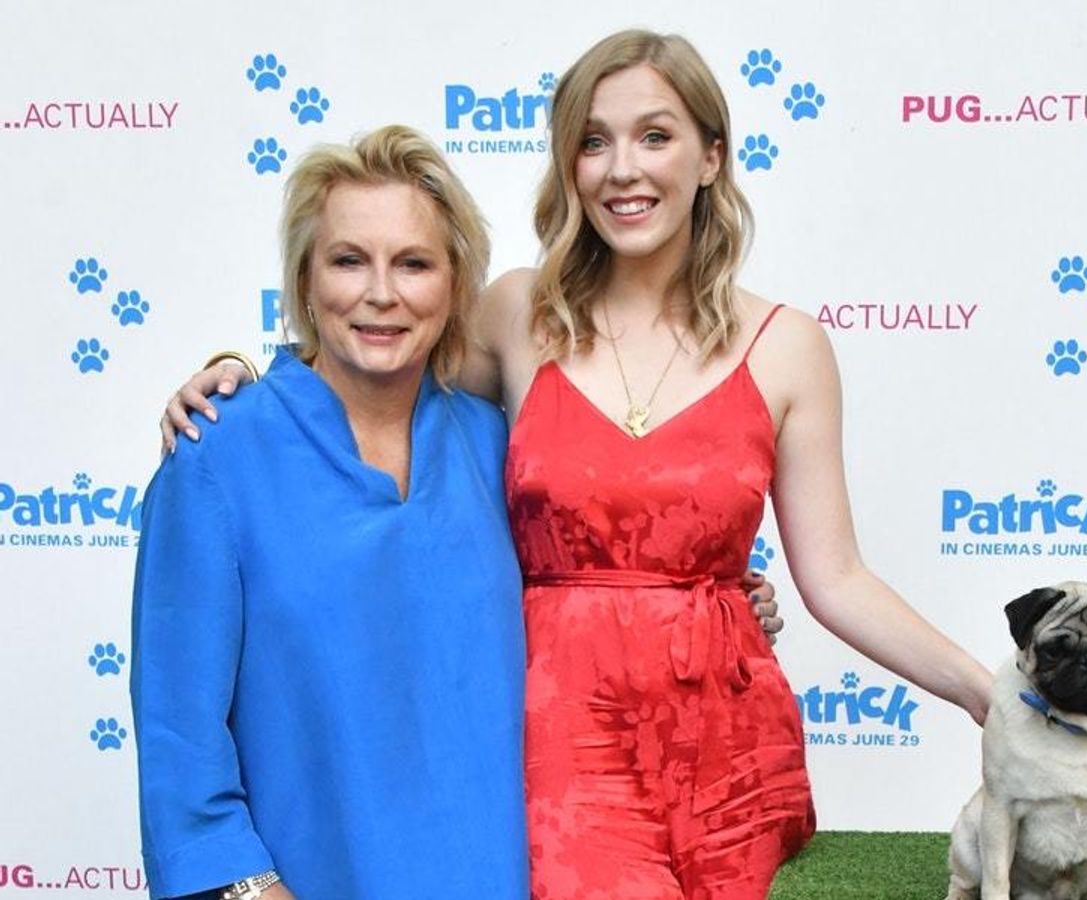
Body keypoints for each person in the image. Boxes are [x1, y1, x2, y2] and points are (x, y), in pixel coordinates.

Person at [161, 30, 991, 900]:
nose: (623, 169)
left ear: (712, 156)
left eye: (655, 135)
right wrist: (238, 385)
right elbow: (376, 353)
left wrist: (985, 691)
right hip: (569, 736)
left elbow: (840, 577)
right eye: (594, 141)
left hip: (729, 740)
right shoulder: (516, 314)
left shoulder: (788, 347)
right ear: (568, 164)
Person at [131, 126, 531, 900]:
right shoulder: (217, 455)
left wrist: (720, 599)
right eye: (349, 260)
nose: (381, 292)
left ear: (455, 285)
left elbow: (592, 606)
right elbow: (180, 741)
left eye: (413, 263)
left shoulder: (496, 446)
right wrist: (250, 889)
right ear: (305, 281)